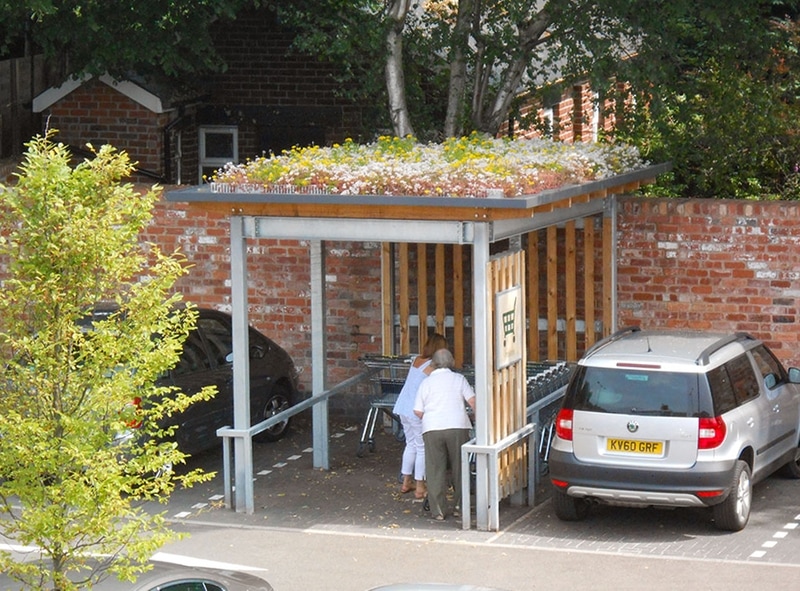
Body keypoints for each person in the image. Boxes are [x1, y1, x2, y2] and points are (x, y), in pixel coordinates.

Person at [413, 348, 475, 521]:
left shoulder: (426, 383)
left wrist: (431, 418)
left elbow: (417, 410)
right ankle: (460, 507)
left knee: (435, 470)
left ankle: (438, 511)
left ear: (433, 363)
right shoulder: (459, 379)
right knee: (460, 467)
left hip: (432, 428)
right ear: (451, 362)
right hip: (457, 426)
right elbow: (472, 401)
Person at [392, 333, 449, 499]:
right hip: (417, 409)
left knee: (410, 445)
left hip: (403, 406)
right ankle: (419, 487)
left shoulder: (417, 360)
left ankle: (405, 482)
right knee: (422, 447)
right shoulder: (433, 367)